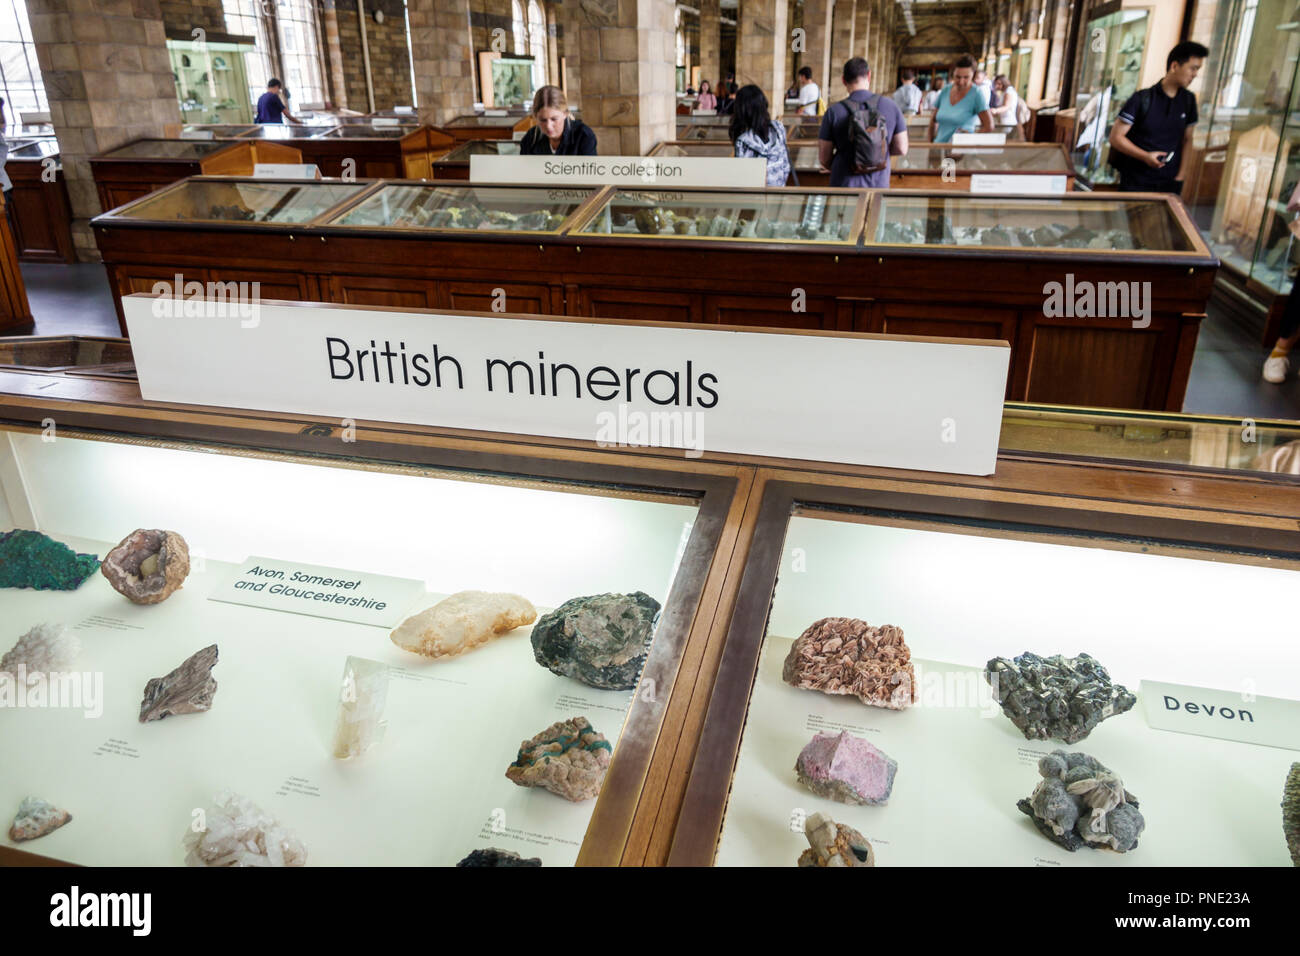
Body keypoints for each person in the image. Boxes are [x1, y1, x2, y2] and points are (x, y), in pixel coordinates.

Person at [1108, 41, 1208, 194]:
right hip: (1135, 182)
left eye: (1198, 69)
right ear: (1174, 66)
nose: (1195, 74)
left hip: (1169, 183)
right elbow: (1116, 137)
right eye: (1193, 68)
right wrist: (1145, 156)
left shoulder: (1189, 100)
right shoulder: (1142, 99)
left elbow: (1188, 140)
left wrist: (1180, 177)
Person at [818, 56, 908, 188]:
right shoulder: (891, 106)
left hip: (844, 184)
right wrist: (878, 151)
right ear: (869, 75)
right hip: (878, 183)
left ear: (844, 80)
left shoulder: (833, 111)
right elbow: (902, 147)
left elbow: (824, 157)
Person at [729, 84, 791, 187]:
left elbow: (742, 178)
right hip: (779, 191)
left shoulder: (743, 141)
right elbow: (786, 165)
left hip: (756, 198)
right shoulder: (778, 128)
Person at [929, 54, 993, 142]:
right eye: (958, 77)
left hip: (960, 152)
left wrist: (969, 143)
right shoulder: (945, 90)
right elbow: (933, 120)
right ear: (953, 74)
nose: (961, 81)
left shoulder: (976, 94)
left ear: (973, 75)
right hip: (939, 147)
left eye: (966, 77)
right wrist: (931, 145)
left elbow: (989, 126)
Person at [518, 85, 597, 155]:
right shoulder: (530, 139)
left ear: (565, 114)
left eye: (554, 119)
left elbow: (589, 170)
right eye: (543, 120)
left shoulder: (584, 136)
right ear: (535, 116)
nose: (549, 126)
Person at [989, 74, 1022, 139]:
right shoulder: (1005, 92)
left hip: (1008, 121)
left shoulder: (1009, 91)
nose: (997, 86)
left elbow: (1006, 106)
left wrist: (995, 110)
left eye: (999, 84)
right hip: (1004, 120)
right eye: (996, 84)